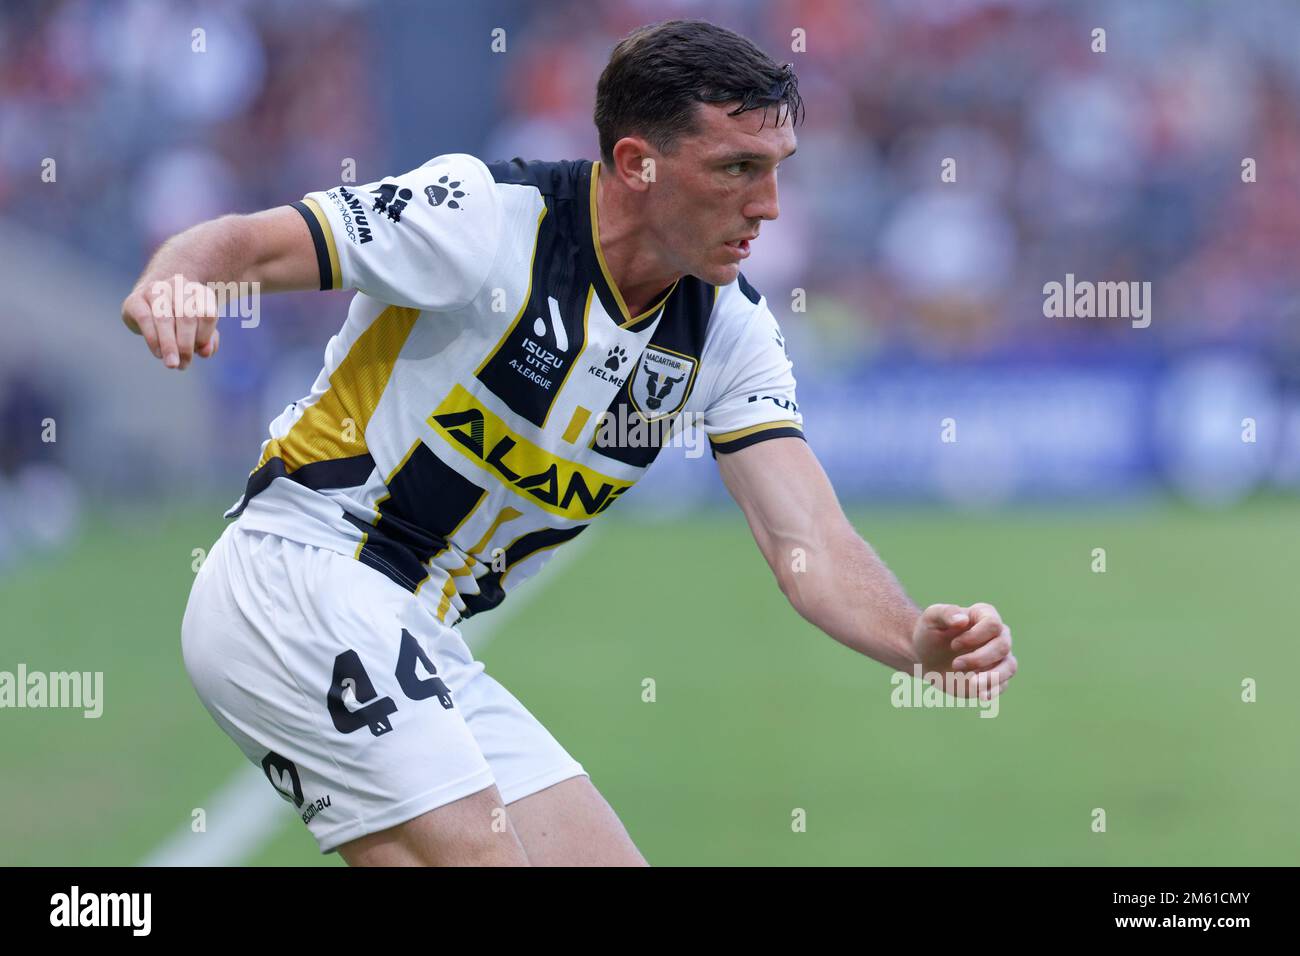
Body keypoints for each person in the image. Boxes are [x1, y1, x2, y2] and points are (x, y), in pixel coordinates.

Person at [120, 19, 1017, 866]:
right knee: (477, 847)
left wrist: (911, 638)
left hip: (423, 636)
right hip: (300, 575)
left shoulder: (730, 331)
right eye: (738, 168)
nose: (771, 207)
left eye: (779, 167)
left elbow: (809, 543)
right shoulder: (486, 216)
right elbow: (249, 243)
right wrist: (178, 280)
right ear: (638, 163)